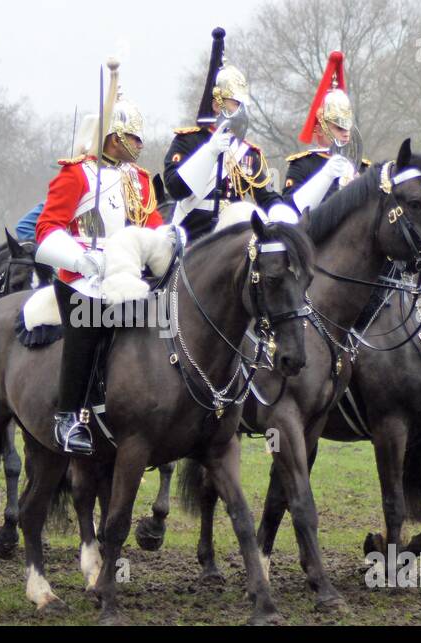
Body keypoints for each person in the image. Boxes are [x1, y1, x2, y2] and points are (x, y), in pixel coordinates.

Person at [34, 72, 164, 455]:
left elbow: (151, 224)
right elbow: (47, 229)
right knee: (87, 324)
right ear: (113, 137)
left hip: (129, 272)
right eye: (133, 137)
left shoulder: (140, 180)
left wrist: (170, 237)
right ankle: (68, 415)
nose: (139, 144)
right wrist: (81, 258)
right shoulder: (76, 174)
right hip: (82, 275)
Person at [163, 28, 295, 240]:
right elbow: (176, 189)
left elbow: (266, 195)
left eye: (243, 105)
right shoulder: (188, 141)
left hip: (232, 238)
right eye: (236, 104)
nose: (241, 111)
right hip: (190, 234)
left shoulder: (250, 154)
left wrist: (280, 210)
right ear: (217, 104)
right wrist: (210, 152)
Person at [283, 51, 366, 215]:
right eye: (339, 128)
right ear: (320, 129)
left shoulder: (363, 168)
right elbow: (288, 210)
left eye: (347, 127)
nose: (346, 134)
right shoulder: (303, 165)